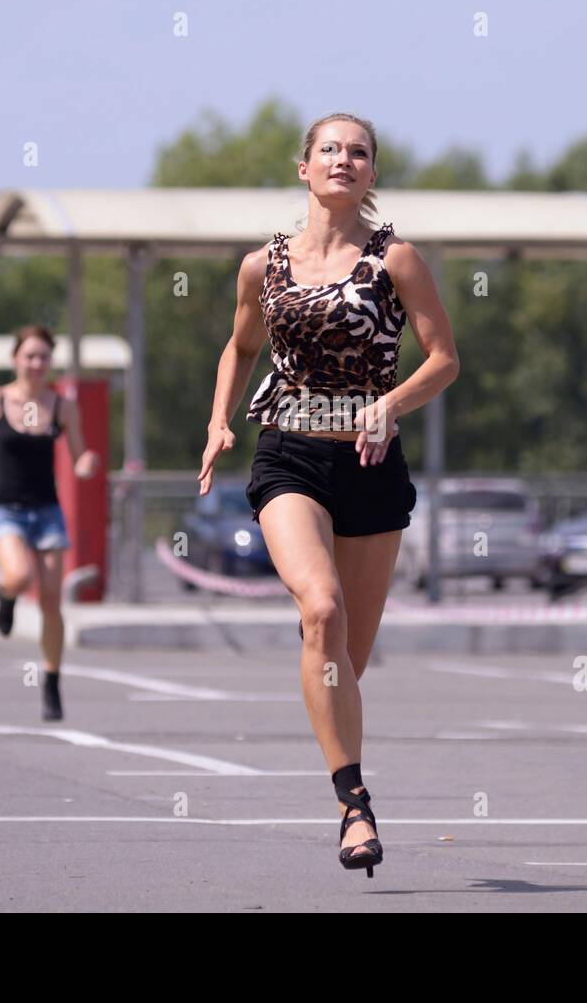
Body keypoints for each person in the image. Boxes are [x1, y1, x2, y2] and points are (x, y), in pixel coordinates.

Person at [198, 112, 460, 876]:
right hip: (289, 457)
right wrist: (219, 420)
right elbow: (242, 345)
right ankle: (355, 804)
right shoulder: (262, 266)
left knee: (345, 657)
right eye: (330, 149)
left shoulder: (395, 260)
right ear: (304, 167)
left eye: (359, 152)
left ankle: (338, 743)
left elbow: (444, 358)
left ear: (371, 174)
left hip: (374, 465)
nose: (344, 160)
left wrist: (393, 402)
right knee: (321, 608)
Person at [0, 325, 98, 721]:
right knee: (19, 575)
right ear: (15, 358)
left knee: (52, 598)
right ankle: (5, 593)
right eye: (29, 355)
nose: (36, 363)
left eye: (43, 357)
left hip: (46, 510)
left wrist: (85, 464)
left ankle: (51, 681)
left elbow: (79, 452)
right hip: (6, 508)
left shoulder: (62, 406)